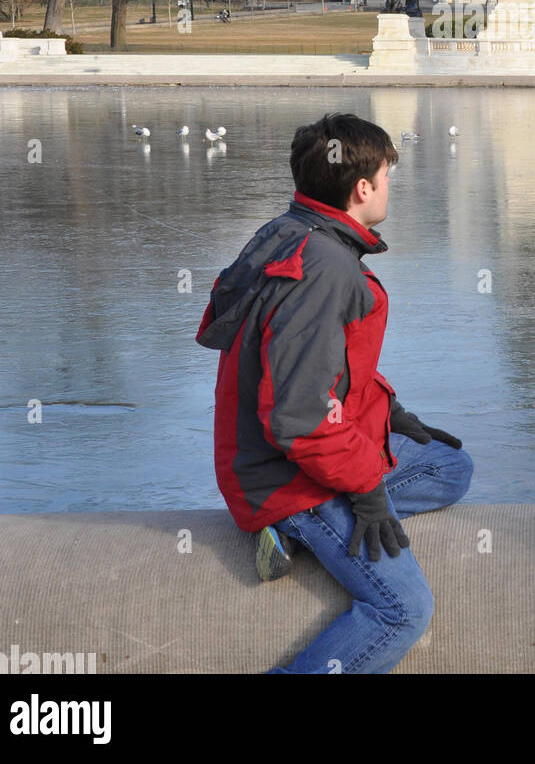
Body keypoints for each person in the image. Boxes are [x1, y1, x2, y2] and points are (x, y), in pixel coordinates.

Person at [196, 112, 473, 673]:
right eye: (388, 176)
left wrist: (388, 411)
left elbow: (327, 366)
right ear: (362, 187)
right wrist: (367, 489)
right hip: (285, 477)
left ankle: (312, 528)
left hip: (287, 454)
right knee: (403, 610)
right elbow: (297, 415)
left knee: (449, 465)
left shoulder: (292, 230)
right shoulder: (324, 268)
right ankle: (298, 524)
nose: (391, 186)